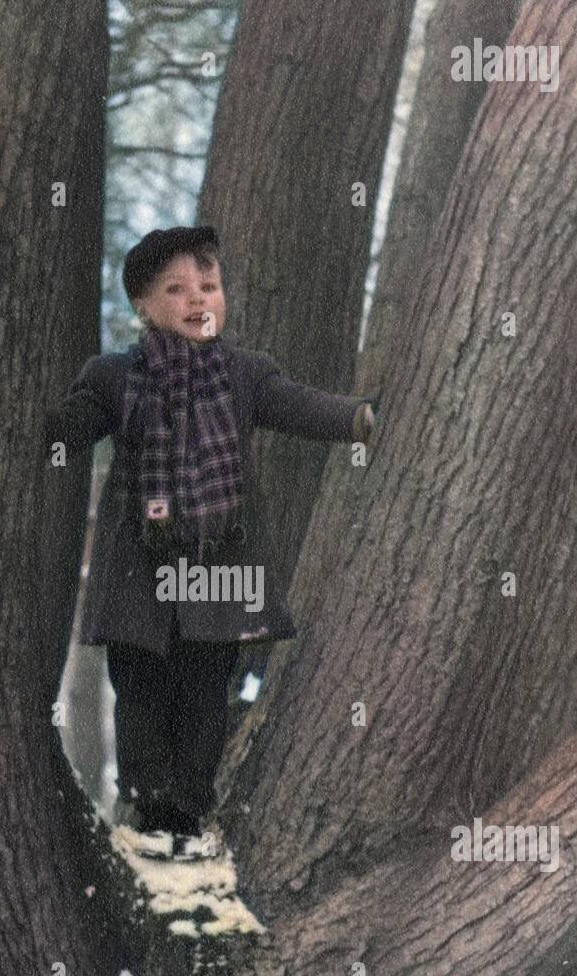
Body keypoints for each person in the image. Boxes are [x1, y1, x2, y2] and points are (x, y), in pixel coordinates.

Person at [45, 225, 376, 861]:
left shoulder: (245, 375)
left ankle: (191, 820)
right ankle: (147, 810)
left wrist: (355, 418)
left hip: (215, 578)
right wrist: (44, 424)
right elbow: (75, 426)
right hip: (140, 578)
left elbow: (296, 406)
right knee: (140, 694)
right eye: (176, 289)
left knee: (203, 697)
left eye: (210, 285)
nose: (199, 299)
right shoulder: (114, 377)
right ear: (143, 306)